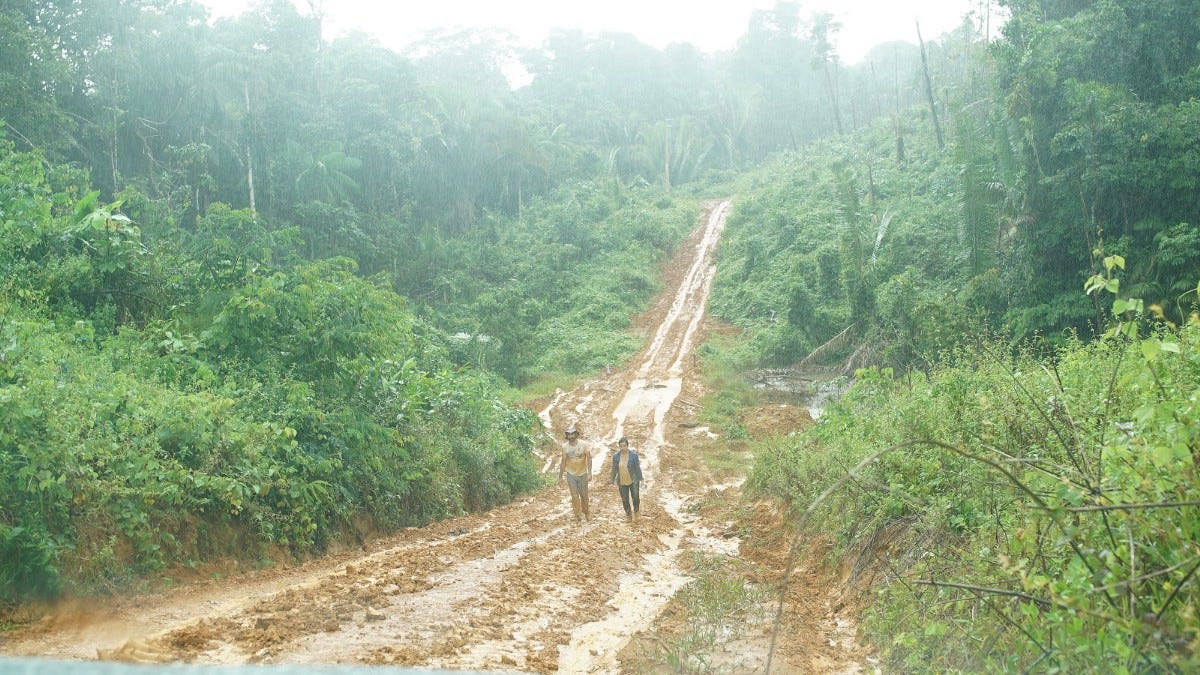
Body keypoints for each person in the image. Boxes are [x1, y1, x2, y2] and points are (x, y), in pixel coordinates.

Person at [556, 424, 592, 523]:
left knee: (584, 495)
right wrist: (560, 477)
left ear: (576, 435)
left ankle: (586, 512)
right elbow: (563, 462)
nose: (571, 437)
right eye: (569, 435)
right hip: (571, 474)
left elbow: (589, 458)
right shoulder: (565, 447)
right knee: (574, 495)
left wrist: (589, 473)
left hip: (582, 473)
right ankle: (578, 514)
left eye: (572, 434)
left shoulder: (584, 445)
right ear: (566, 436)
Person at [608, 436, 643, 522]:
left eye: (624, 446)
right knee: (624, 498)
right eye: (621, 446)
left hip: (633, 479)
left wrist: (640, 478)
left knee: (635, 496)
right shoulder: (616, 456)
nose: (623, 448)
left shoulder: (633, 456)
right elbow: (614, 468)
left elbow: (637, 467)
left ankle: (636, 511)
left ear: (627, 446)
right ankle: (628, 515)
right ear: (619, 447)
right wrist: (612, 479)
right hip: (622, 480)